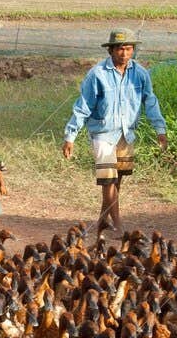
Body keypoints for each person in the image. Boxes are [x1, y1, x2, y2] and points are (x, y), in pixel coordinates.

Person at [62, 29, 168, 240]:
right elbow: (83, 106)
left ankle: (103, 218)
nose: (124, 53)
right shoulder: (97, 74)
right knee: (108, 180)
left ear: (133, 50)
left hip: (126, 133)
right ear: (110, 50)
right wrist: (70, 136)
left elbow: (150, 101)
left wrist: (160, 129)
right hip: (102, 133)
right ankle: (118, 224)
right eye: (120, 48)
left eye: (128, 48)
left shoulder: (140, 74)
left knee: (117, 179)